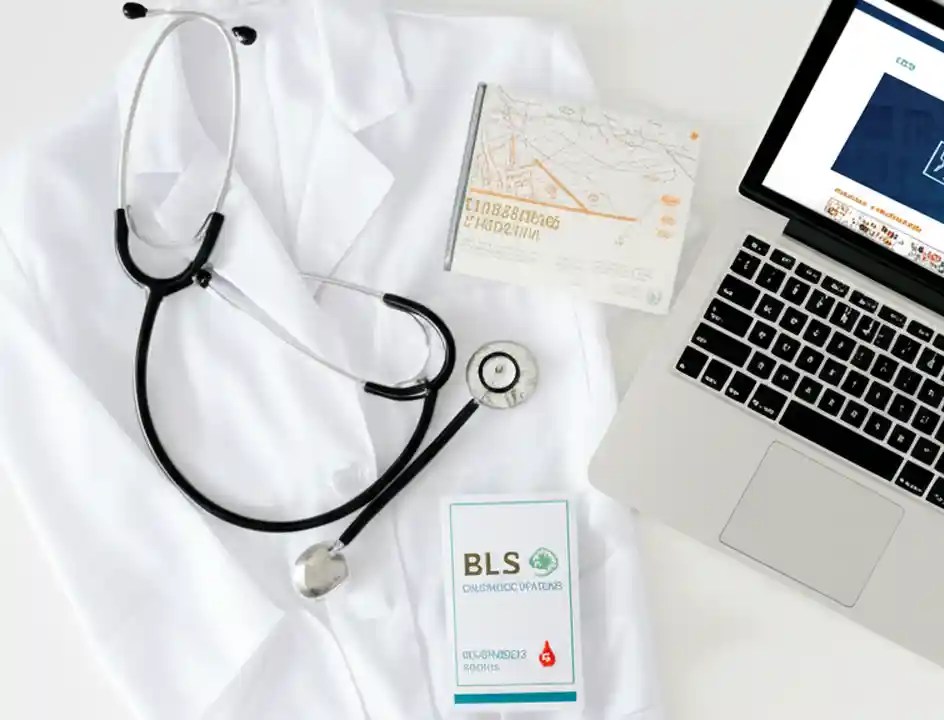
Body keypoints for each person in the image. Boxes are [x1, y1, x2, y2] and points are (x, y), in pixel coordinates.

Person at [0, 0, 659, 717]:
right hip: (299, 669)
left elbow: (638, 277)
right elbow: (74, 473)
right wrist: (240, 663)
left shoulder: (514, 71)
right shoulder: (45, 204)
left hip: (530, 613)